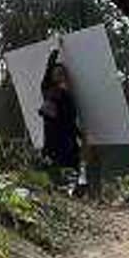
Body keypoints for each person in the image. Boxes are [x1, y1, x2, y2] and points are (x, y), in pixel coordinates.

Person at [38, 42, 87, 190]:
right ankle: (53, 188)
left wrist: (79, 134)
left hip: (67, 136)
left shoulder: (68, 96)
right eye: (56, 72)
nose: (59, 74)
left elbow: (69, 119)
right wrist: (55, 51)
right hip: (53, 135)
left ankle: (72, 190)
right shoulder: (48, 89)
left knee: (73, 162)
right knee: (53, 163)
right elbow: (47, 73)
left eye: (62, 72)